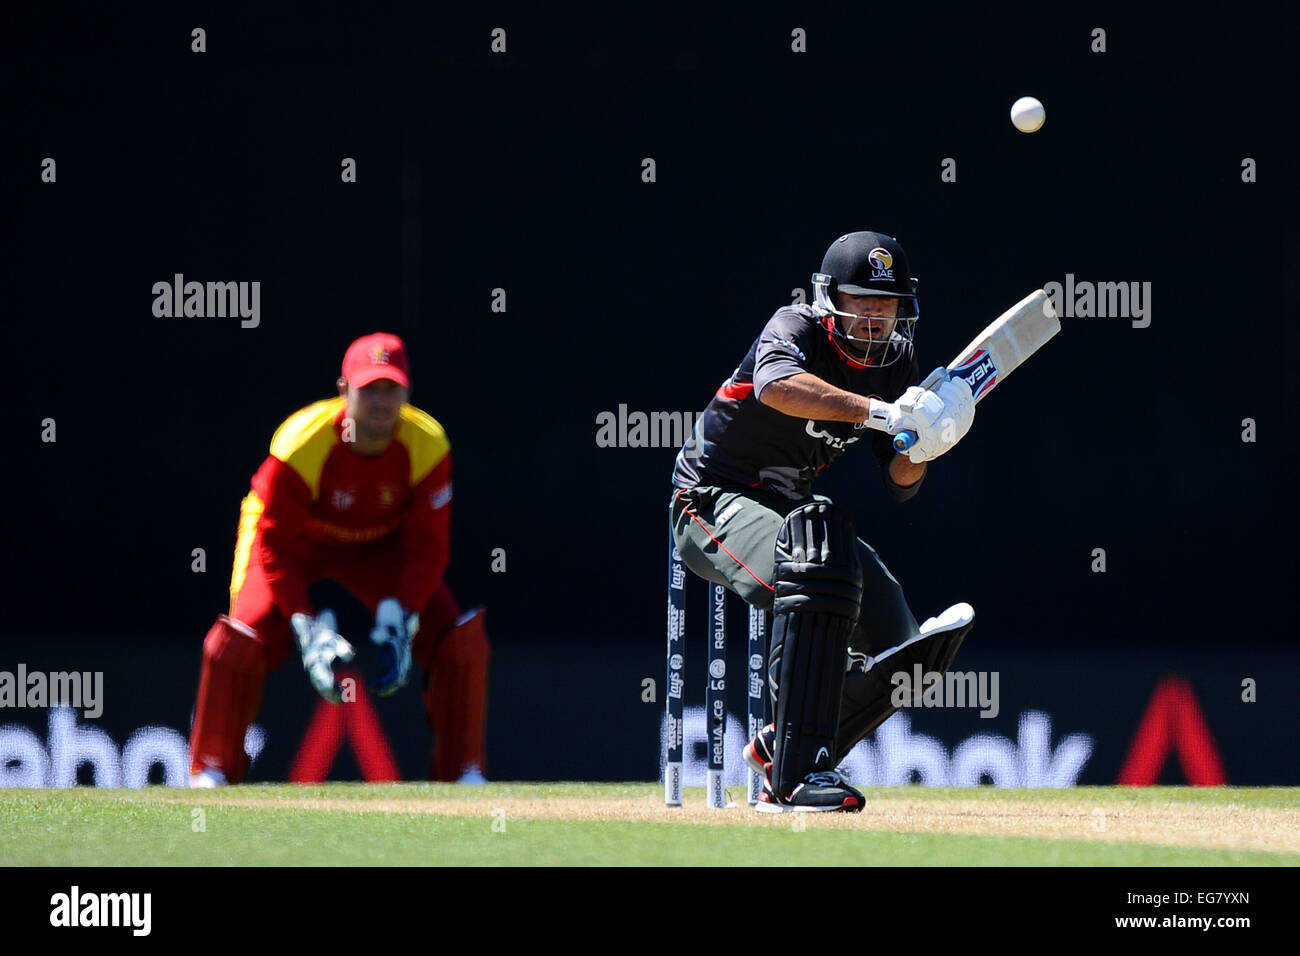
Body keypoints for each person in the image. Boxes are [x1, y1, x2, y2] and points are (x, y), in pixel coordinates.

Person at [670, 231, 976, 812]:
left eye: (885, 306)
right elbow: (777, 387)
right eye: (861, 301)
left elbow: (899, 480)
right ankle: (793, 780)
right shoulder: (796, 328)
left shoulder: (897, 362)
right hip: (710, 501)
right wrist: (881, 412)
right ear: (829, 297)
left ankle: (778, 745)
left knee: (908, 653)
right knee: (813, 558)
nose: (873, 317)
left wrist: (930, 442)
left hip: (792, 518)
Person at [188, 332, 489, 787]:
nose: (381, 403)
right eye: (369, 389)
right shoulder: (302, 442)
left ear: (408, 393)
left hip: (379, 548)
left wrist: (401, 616)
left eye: (392, 390)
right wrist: (305, 626)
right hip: (298, 547)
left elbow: (430, 548)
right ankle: (211, 770)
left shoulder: (429, 445)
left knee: (458, 640)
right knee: (241, 639)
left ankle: (464, 775)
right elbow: (274, 546)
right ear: (344, 390)